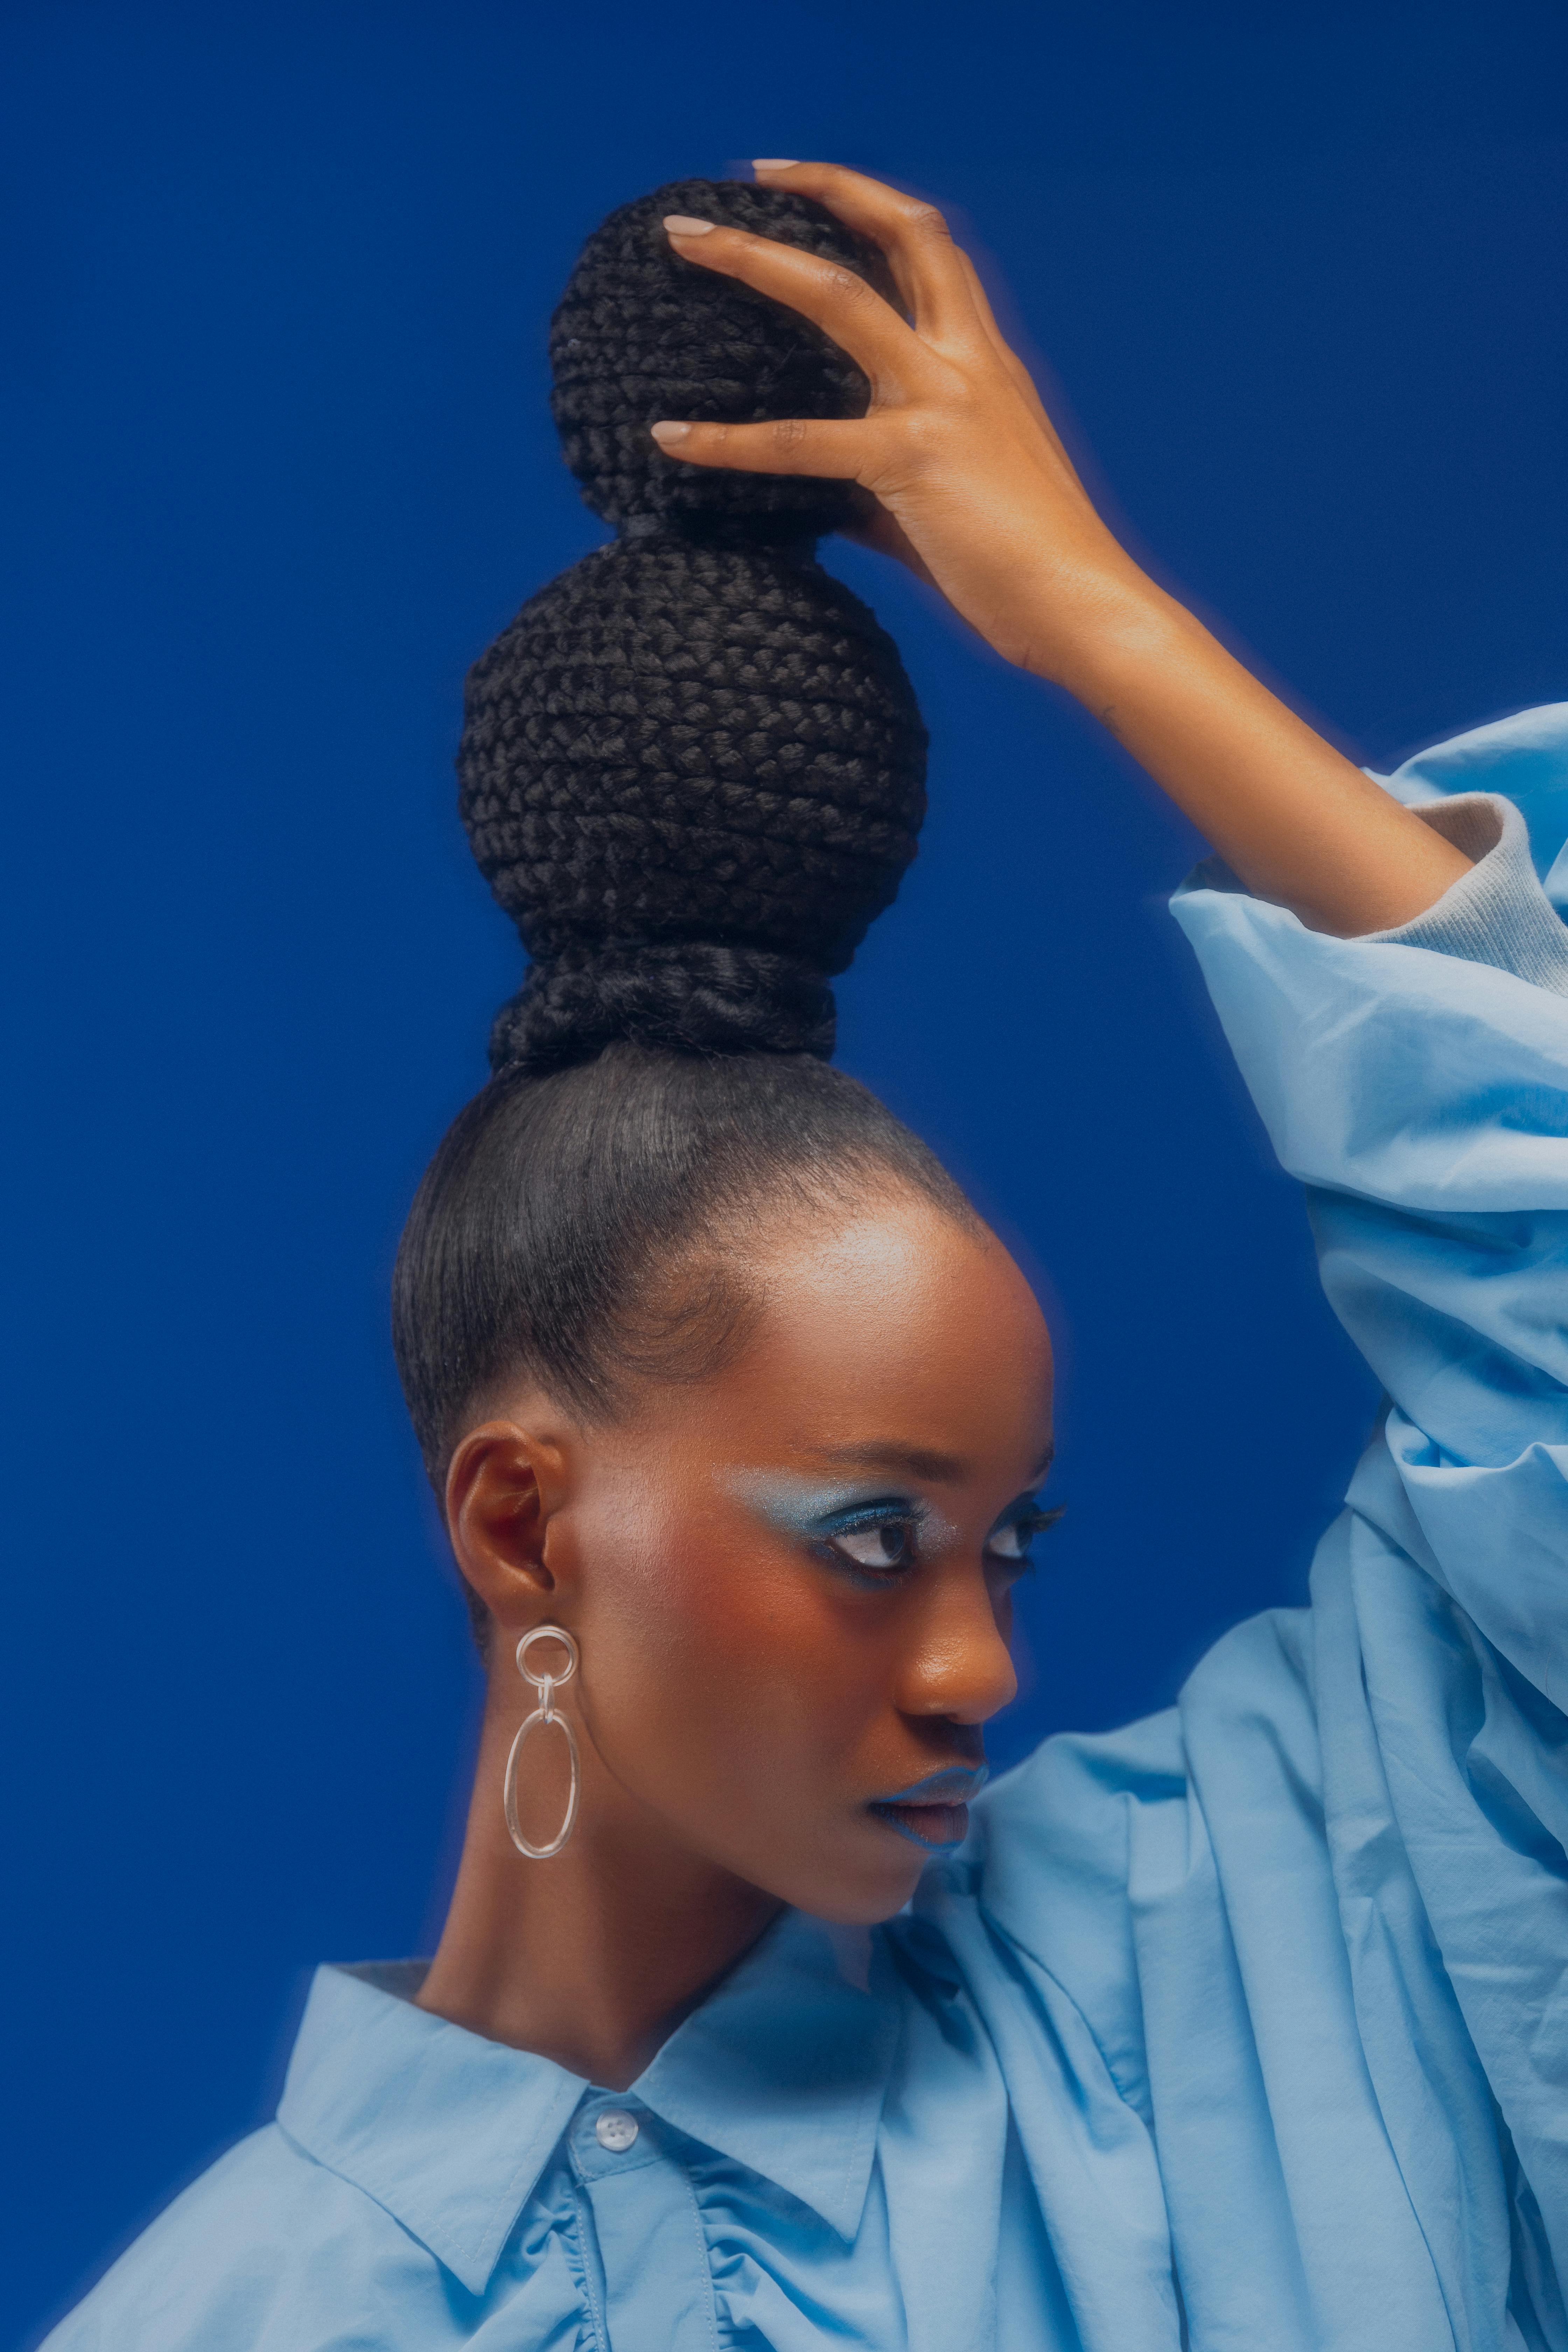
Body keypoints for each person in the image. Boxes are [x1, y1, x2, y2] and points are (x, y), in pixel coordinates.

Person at [44, 160, 1568, 2352]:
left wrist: (1101, 623)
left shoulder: (1255, 1944)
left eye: (1007, 1542)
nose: (981, 1667)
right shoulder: (236, 2318)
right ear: (523, 1521)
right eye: (876, 1537)